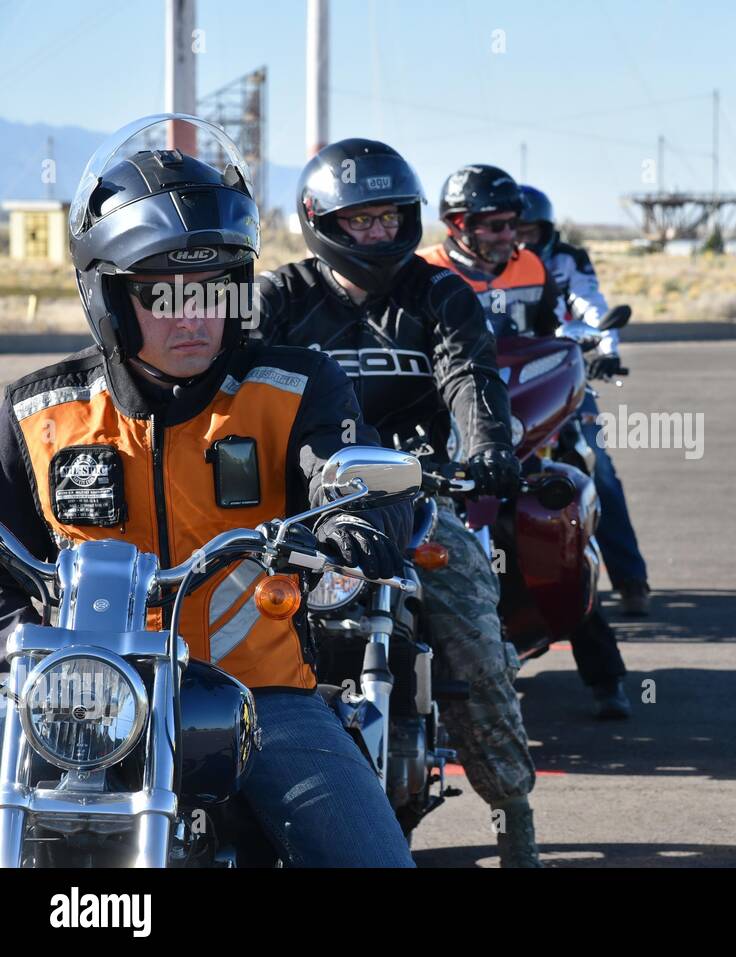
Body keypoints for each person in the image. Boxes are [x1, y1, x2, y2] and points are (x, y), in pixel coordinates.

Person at [0, 116, 414, 866]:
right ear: (108, 296)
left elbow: (345, 466)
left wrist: (358, 511)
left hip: (260, 696)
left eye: (212, 291)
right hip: (74, 700)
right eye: (161, 294)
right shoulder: (39, 414)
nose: (192, 316)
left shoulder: (293, 387)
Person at [252, 139, 544, 866]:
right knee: (230, 623)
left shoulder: (438, 292)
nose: (378, 234)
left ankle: (515, 812)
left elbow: (471, 377)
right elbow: (240, 385)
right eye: (360, 221)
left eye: (388, 218)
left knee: (478, 638)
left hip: (415, 494)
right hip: (304, 507)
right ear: (321, 220)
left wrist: (489, 451)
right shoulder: (279, 297)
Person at [418, 165, 632, 720]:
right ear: (458, 225)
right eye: (494, 225)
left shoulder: (532, 266)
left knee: (570, 505)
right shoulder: (423, 273)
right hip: (451, 426)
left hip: (526, 420)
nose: (508, 235)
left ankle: (607, 671)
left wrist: (583, 351)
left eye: (513, 224)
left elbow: (549, 336)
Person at [517, 184, 652, 617]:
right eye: (510, 229)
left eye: (528, 230)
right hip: (504, 384)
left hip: (560, 374)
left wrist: (607, 351)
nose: (519, 239)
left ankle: (631, 579)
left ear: (546, 230)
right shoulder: (486, 269)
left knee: (599, 466)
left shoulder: (567, 260)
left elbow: (592, 305)